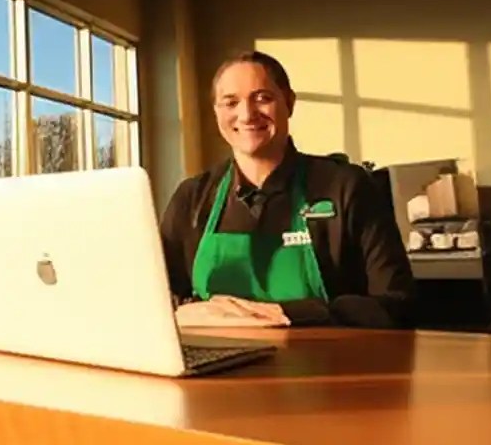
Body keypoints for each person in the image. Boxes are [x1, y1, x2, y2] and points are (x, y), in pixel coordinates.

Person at [159, 50, 414, 328]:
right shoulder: (192, 198)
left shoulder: (347, 187)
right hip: (218, 366)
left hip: (333, 365)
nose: (246, 114)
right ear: (217, 113)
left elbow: (397, 302)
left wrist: (284, 314)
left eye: (262, 98)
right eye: (230, 102)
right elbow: (156, 300)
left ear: (289, 103)